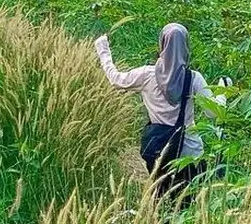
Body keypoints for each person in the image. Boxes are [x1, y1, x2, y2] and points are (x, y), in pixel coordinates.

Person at [94, 22, 229, 206]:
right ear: (186, 46)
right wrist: (222, 89)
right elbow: (215, 114)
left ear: (162, 44)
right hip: (190, 153)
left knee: (161, 203)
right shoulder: (193, 78)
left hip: (158, 151)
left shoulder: (146, 75)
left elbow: (115, 79)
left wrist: (103, 50)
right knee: (187, 207)